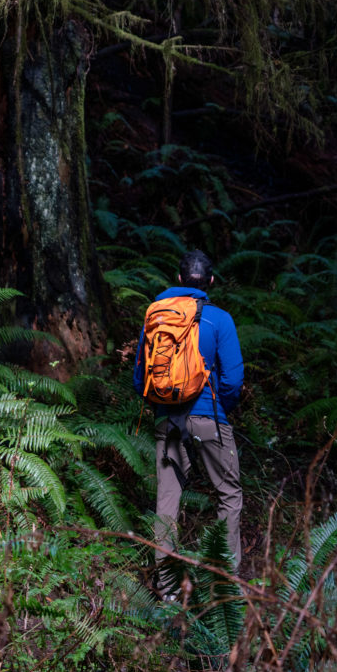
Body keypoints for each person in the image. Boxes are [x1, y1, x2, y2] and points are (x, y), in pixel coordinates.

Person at [133, 250, 244, 593]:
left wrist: (165, 405)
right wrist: (217, 410)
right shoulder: (219, 320)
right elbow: (233, 380)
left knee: (167, 500)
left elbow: (141, 378)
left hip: (168, 421)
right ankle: (224, 583)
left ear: (178, 279)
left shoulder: (156, 316)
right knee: (229, 494)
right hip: (210, 417)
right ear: (210, 282)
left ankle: (166, 587)